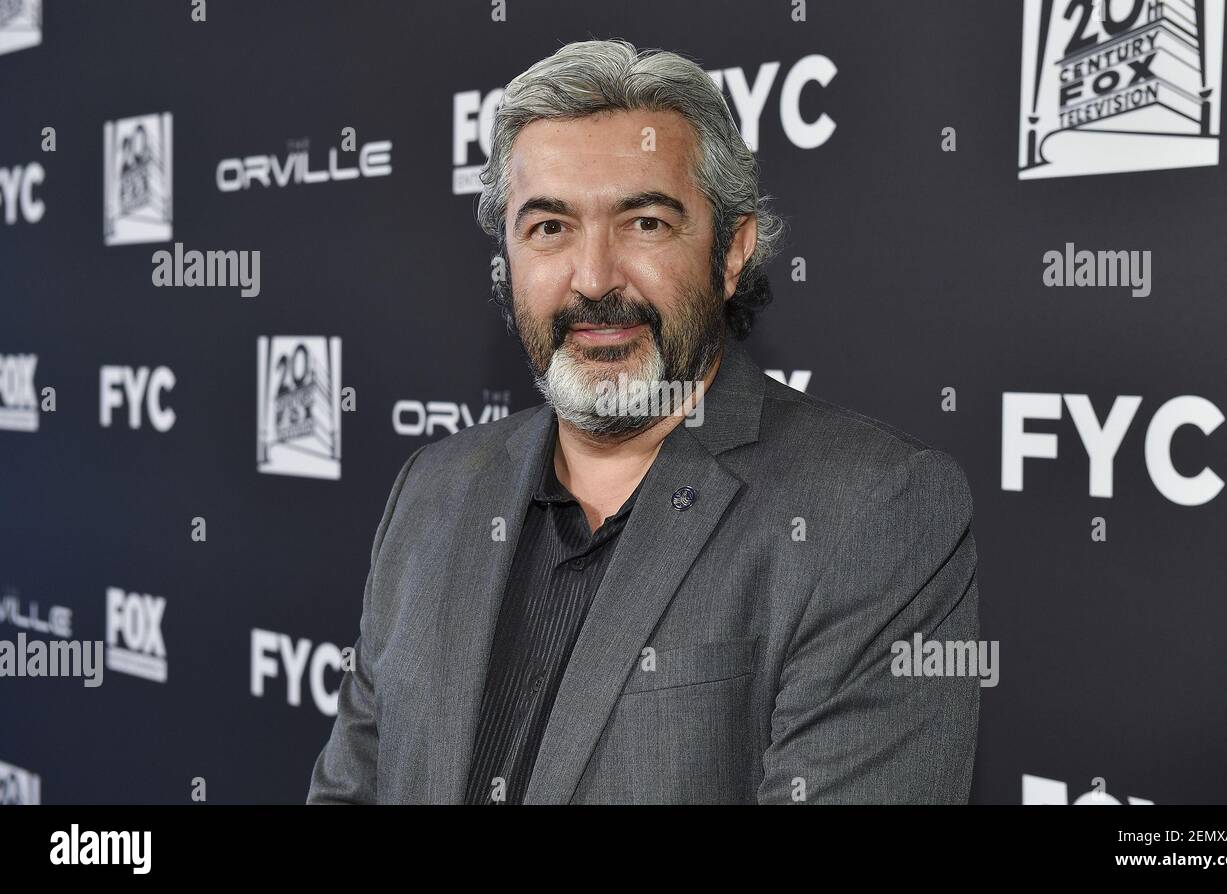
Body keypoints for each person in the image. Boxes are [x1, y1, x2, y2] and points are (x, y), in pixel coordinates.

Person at [307, 38, 979, 804]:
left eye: (646, 223)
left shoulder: (872, 513)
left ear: (732, 252)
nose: (593, 278)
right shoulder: (432, 491)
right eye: (549, 228)